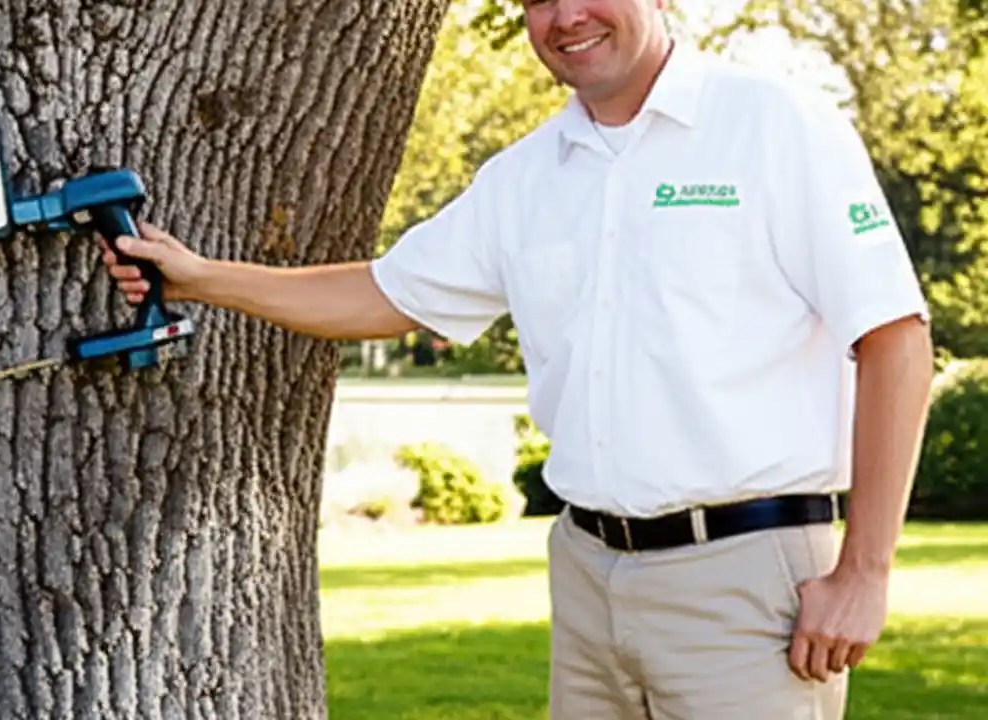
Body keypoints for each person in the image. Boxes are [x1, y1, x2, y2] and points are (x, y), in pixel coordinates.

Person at [100, 1, 934, 717]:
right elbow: (389, 295)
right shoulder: (527, 175)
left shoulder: (772, 126)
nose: (564, 17)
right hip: (586, 574)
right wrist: (204, 280)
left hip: (750, 580)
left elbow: (895, 338)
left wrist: (864, 572)